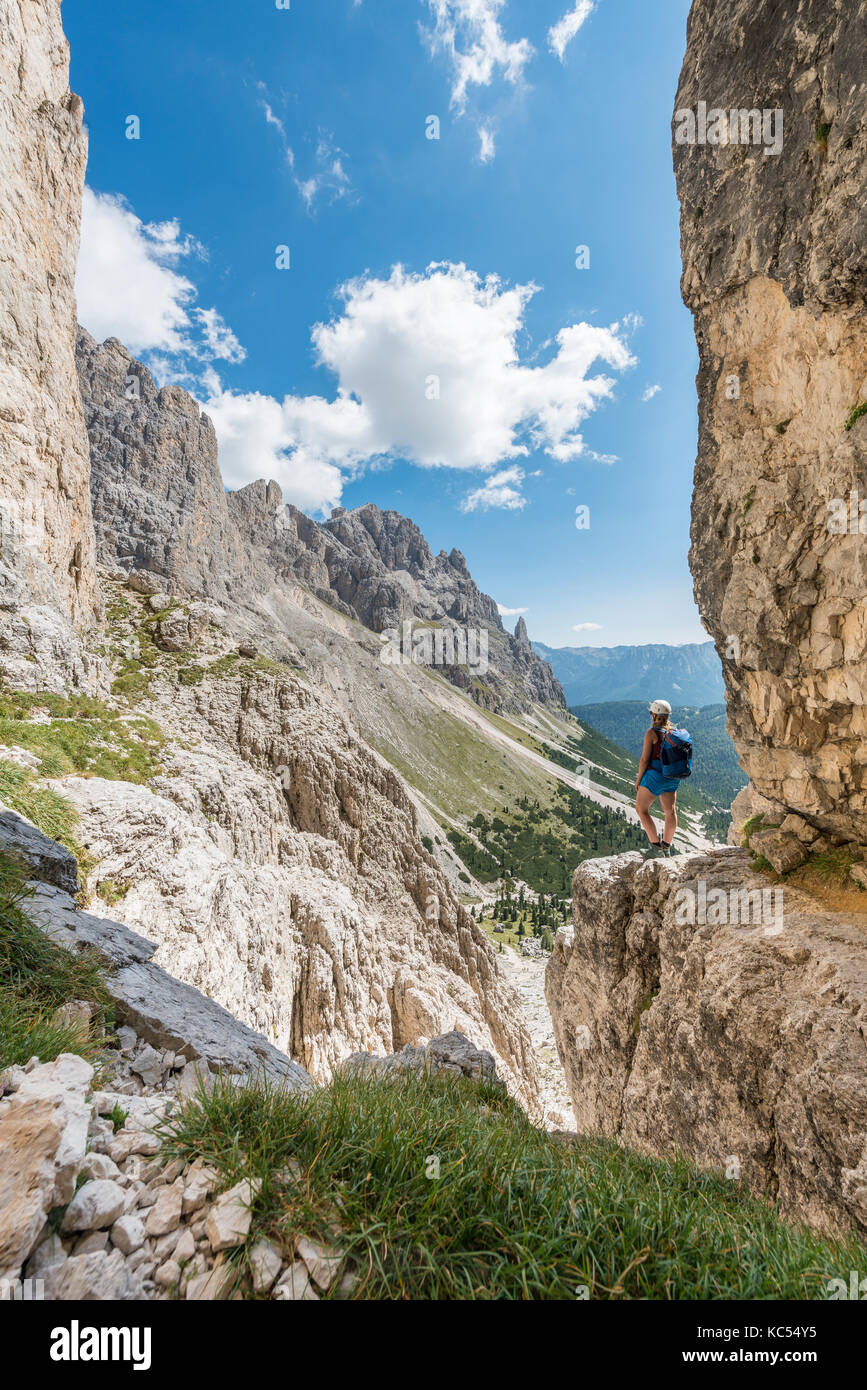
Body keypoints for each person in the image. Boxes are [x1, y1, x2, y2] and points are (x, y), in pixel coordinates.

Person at [635, 698, 681, 857]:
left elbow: (644, 760)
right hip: (672, 777)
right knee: (670, 811)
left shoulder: (651, 733)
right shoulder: (674, 733)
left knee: (641, 809)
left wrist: (639, 779)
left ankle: (655, 848)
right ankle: (666, 848)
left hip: (655, 776)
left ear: (654, 715)